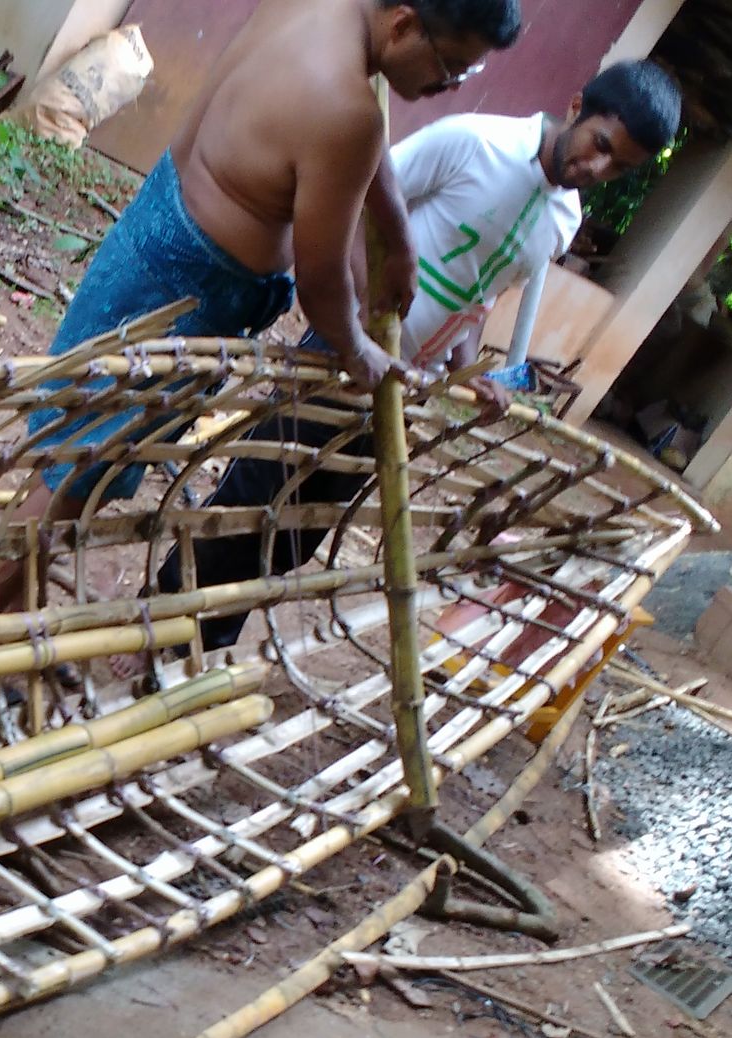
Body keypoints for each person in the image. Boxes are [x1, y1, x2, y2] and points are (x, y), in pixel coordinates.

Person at [0, 0, 525, 633]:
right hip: (189, 296)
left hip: (156, 227)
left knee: (78, 452)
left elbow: (367, 137)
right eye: (451, 68)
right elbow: (323, 280)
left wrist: (396, 229)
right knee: (77, 474)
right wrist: (359, 351)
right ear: (405, 25)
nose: (447, 87)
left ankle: (0, 618)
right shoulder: (347, 113)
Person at [156, 59, 685, 654]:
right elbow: (352, 205)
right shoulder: (474, 143)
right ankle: (160, 618)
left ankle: (203, 645)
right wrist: (354, 325)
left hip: (403, 389)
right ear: (576, 105)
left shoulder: (564, 221)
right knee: (258, 494)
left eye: (621, 167)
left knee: (302, 529)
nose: (598, 168)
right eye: (600, 145)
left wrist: (467, 375)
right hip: (343, 357)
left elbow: (475, 300)